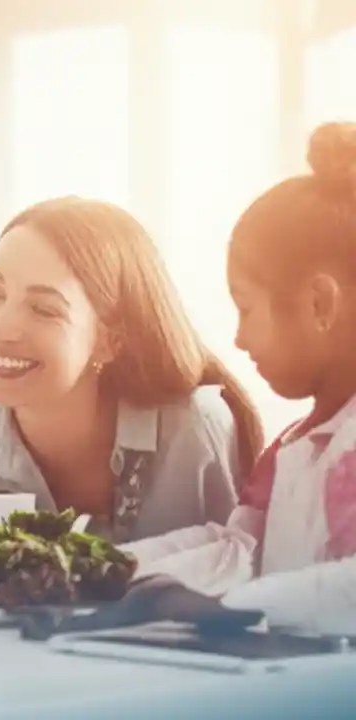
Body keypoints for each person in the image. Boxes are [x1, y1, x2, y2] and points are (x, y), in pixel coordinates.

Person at [0, 197, 262, 542]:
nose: (0, 331)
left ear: (110, 341)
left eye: (44, 310)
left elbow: (238, 581)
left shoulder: (193, 432)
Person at [131, 123, 356, 633]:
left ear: (319, 304)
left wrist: (233, 608)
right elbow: (237, 550)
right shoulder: (294, 446)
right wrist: (107, 569)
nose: (238, 339)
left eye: (247, 308)